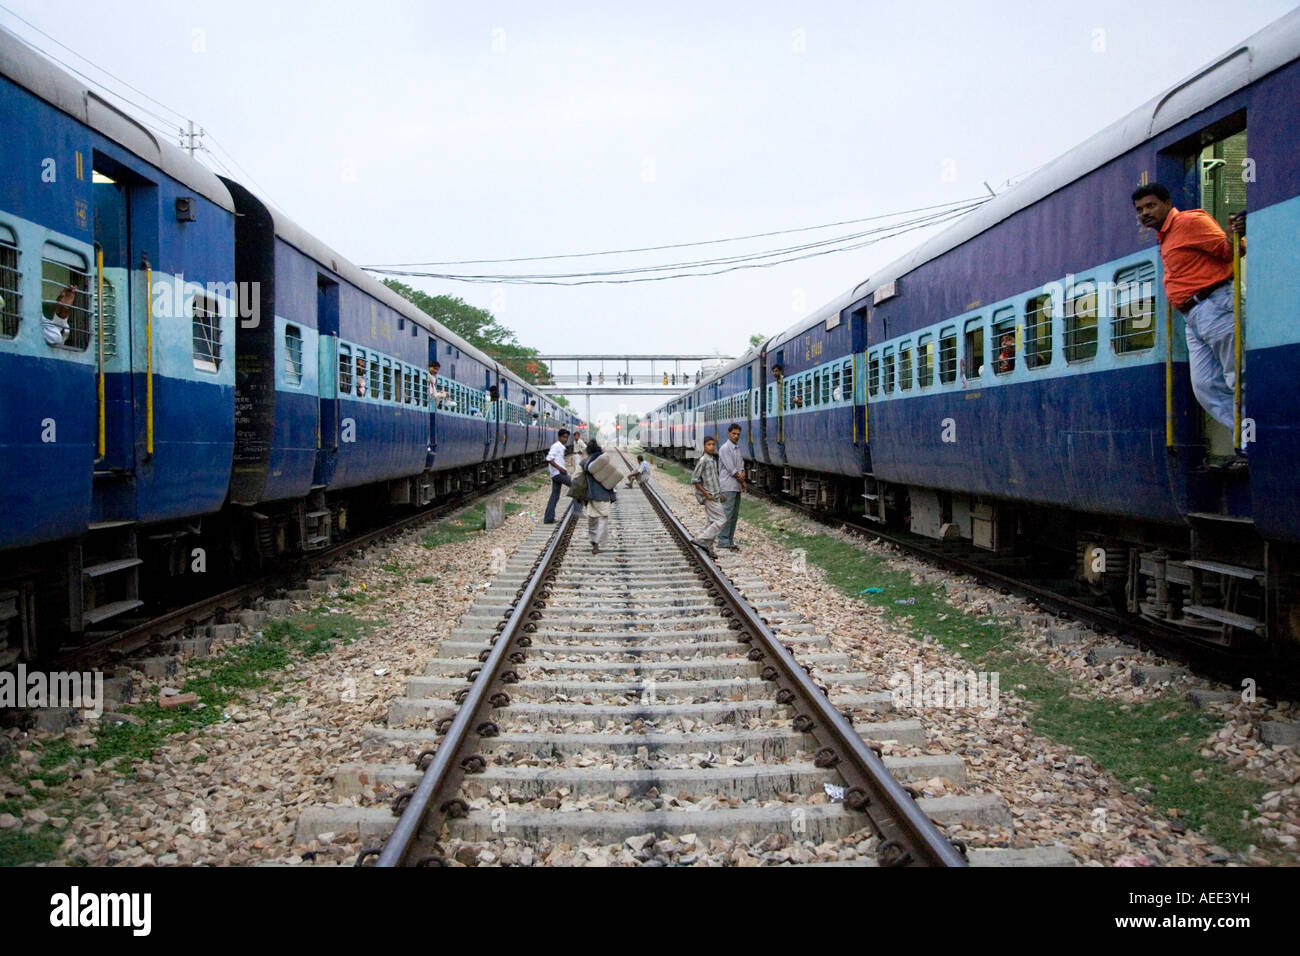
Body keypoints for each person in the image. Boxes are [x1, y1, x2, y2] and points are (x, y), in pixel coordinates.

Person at [1132, 183, 1247, 465]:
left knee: (1238, 377)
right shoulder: (1164, 237)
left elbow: (1229, 250)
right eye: (1139, 210)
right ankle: (1245, 438)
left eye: (1150, 206)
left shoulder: (1189, 222)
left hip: (1216, 304)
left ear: (1167, 203)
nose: (1145, 213)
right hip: (1193, 317)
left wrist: (1234, 235)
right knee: (1206, 386)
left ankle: (1251, 444)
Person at [689, 436, 727, 558]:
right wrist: (705, 493)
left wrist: (720, 494)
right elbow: (695, 479)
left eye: (713, 444)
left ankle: (709, 548)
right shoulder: (703, 460)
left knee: (711, 522)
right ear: (704, 447)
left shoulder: (712, 460)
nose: (711, 447)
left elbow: (713, 480)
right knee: (721, 520)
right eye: (709, 444)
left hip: (715, 495)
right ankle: (701, 539)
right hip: (710, 497)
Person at [581, 439, 616, 553]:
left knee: (592, 519)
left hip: (591, 495)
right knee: (603, 519)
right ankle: (596, 544)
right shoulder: (604, 460)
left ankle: (593, 541)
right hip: (604, 495)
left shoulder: (586, 463)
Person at [716, 423, 745, 551]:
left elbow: (741, 465)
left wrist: (743, 475)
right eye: (734, 433)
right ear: (729, 433)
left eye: (738, 434)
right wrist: (742, 480)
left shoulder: (737, 448)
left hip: (736, 486)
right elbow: (731, 469)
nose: (736, 436)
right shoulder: (724, 448)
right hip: (727, 486)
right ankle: (722, 540)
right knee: (727, 514)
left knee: (734, 515)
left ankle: (729, 540)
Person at [543, 428, 571, 524]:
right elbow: (549, 459)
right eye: (564, 437)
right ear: (559, 437)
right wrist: (560, 469)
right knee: (576, 485)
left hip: (557, 474)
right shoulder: (556, 446)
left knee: (555, 496)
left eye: (567, 438)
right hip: (558, 474)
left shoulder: (561, 447)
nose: (565, 439)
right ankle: (579, 508)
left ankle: (548, 518)